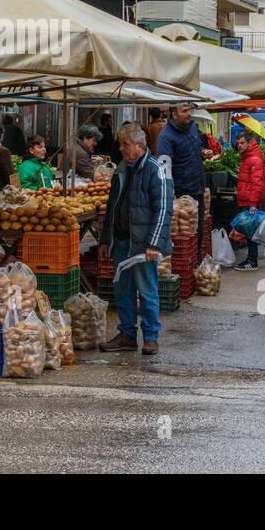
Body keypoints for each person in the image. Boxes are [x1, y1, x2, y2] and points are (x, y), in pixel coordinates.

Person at [99, 122, 173, 356]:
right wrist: (104, 240)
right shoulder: (122, 169)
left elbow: (163, 209)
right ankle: (127, 335)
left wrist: (154, 243)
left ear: (139, 146)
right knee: (123, 290)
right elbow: (112, 207)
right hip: (121, 241)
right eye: (121, 144)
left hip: (142, 244)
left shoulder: (155, 169)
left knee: (147, 289)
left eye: (125, 144)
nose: (121, 148)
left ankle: (150, 336)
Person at [155, 103, 206, 240]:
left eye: (189, 110)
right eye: (184, 111)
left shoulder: (193, 128)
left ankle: (198, 259)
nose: (189, 113)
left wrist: (202, 153)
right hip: (182, 193)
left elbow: (194, 150)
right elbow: (163, 167)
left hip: (198, 188)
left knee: (198, 231)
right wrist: (171, 194)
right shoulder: (165, 136)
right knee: (186, 236)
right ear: (174, 114)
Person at [232, 132, 265, 271]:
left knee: (250, 231)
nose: (239, 146)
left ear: (249, 142)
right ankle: (251, 258)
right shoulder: (246, 157)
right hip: (245, 199)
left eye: (242, 143)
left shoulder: (254, 159)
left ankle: (252, 260)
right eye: (238, 143)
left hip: (249, 202)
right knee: (248, 231)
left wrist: (253, 204)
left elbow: (257, 184)